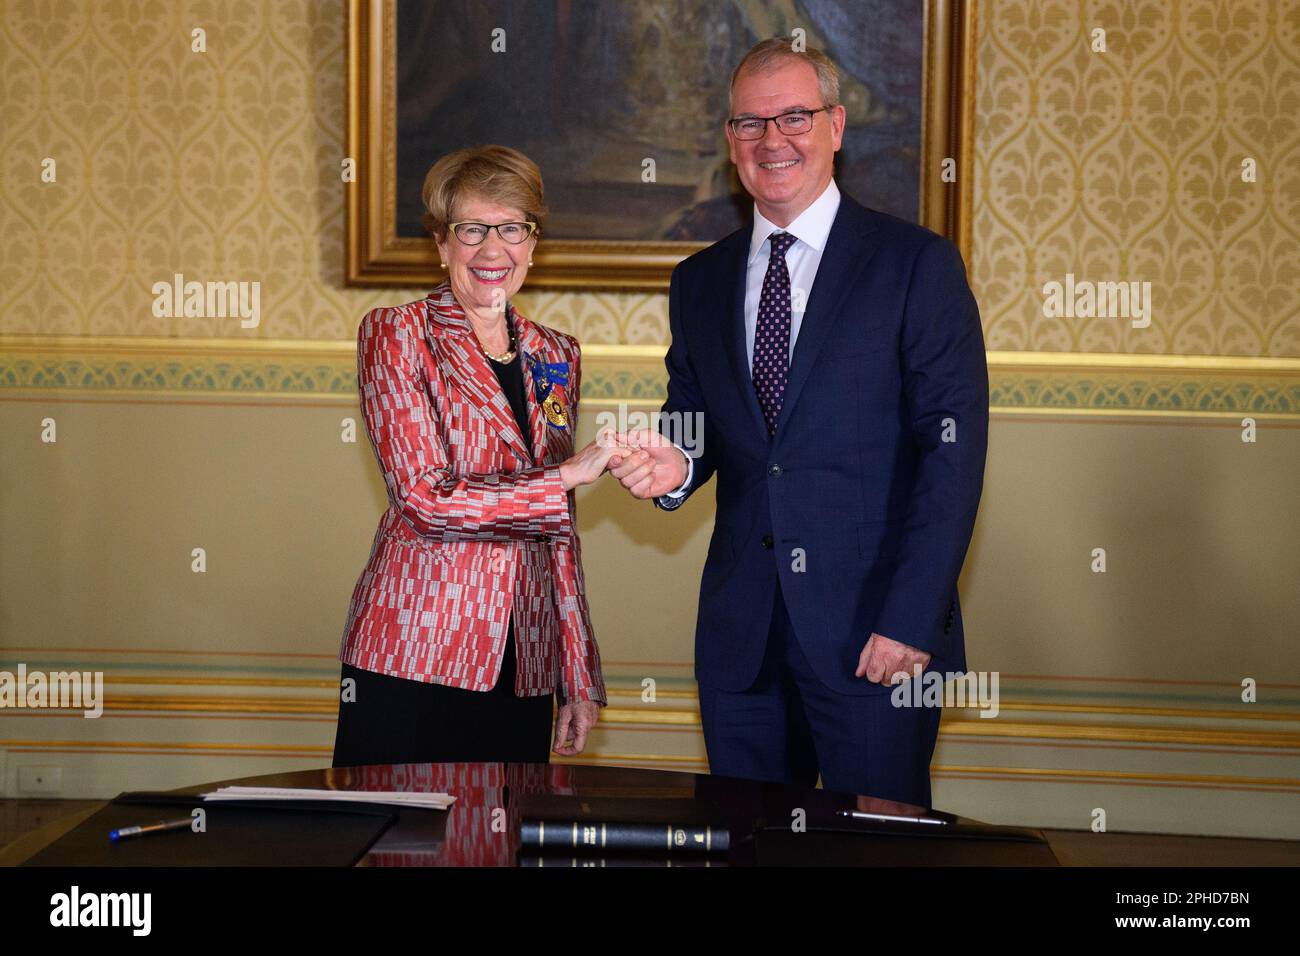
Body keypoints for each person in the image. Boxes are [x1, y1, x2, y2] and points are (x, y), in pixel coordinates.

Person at [608, 39, 989, 807]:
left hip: (875, 640)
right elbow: (697, 424)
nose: (771, 140)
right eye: (750, 123)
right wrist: (676, 468)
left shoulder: (916, 265)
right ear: (730, 142)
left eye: (793, 117)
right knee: (747, 849)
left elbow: (952, 459)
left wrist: (910, 621)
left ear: (836, 126)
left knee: (876, 856)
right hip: (742, 646)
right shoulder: (699, 280)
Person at [334, 145, 620, 768]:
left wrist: (576, 670)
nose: (494, 250)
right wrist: (564, 476)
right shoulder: (396, 334)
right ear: (442, 243)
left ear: (532, 242)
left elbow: (559, 529)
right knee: (403, 848)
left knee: (501, 844)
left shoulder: (555, 355)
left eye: (512, 228)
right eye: (472, 229)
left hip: (526, 663)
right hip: (416, 650)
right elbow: (423, 500)